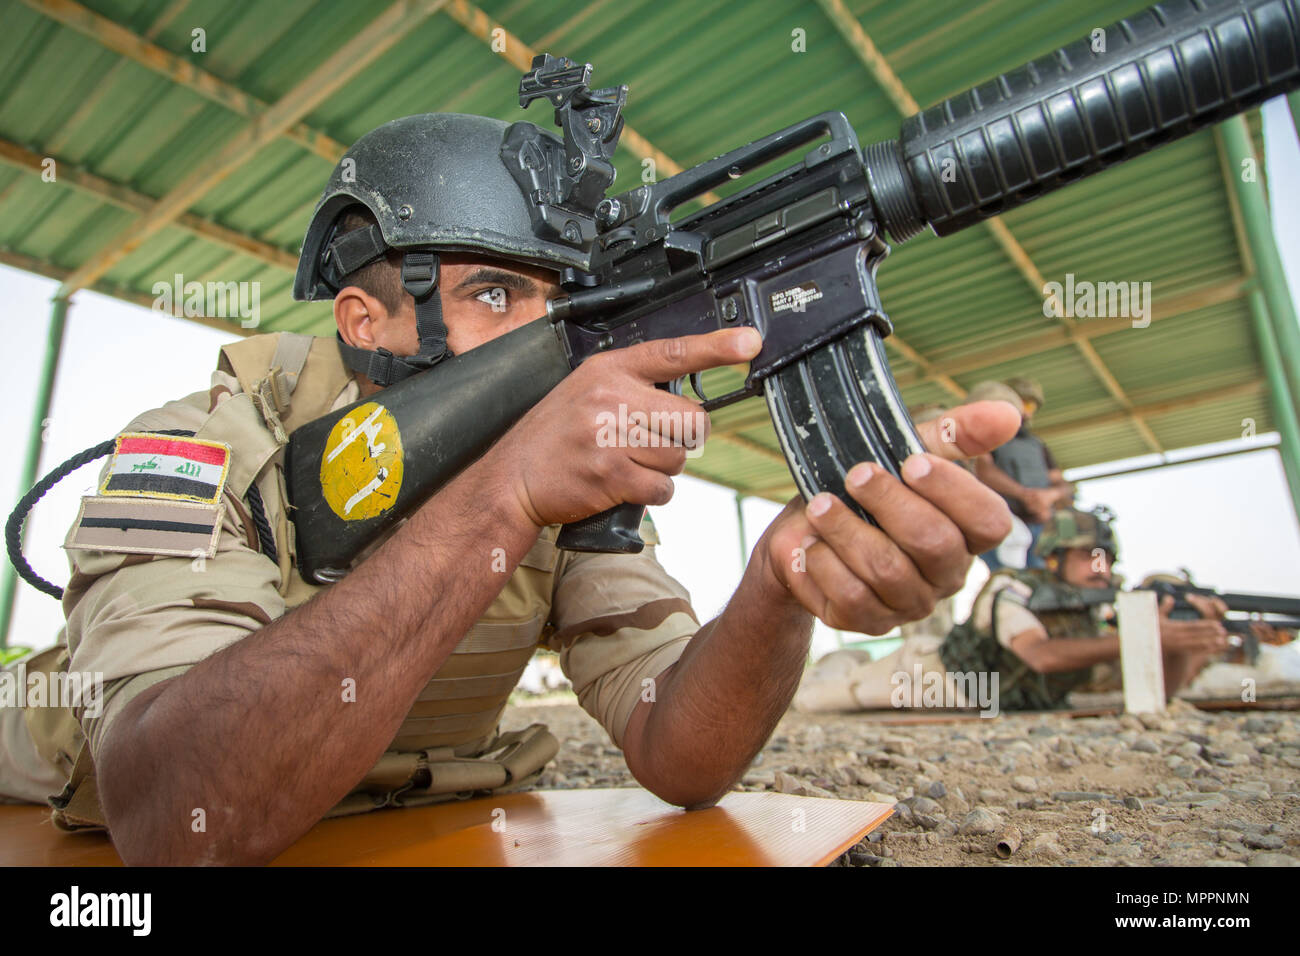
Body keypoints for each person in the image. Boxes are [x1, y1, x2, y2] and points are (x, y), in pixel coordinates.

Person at [0, 110, 1018, 864]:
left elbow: (679, 752)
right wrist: (502, 499)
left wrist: (777, 585)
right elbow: (175, 817)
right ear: (363, 321)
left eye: (559, 302)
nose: (547, 343)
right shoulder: (199, 444)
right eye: (494, 293)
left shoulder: (563, 474)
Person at [939, 507, 1231, 711]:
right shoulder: (1014, 588)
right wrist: (1144, 635)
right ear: (1054, 558)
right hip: (931, 684)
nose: (1102, 570)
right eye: (1089, 556)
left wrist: (1177, 641)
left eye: (1108, 560)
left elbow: (1159, 692)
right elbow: (1041, 656)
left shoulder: (1097, 607)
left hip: (1012, 705)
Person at [971, 377, 1072, 570]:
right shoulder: (991, 433)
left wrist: (1048, 497)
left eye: (1031, 406)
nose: (1026, 412)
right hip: (1006, 525)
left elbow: (1062, 484)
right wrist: (1024, 495)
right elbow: (983, 469)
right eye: (1023, 403)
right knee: (1010, 581)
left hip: (1042, 529)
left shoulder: (1037, 445)